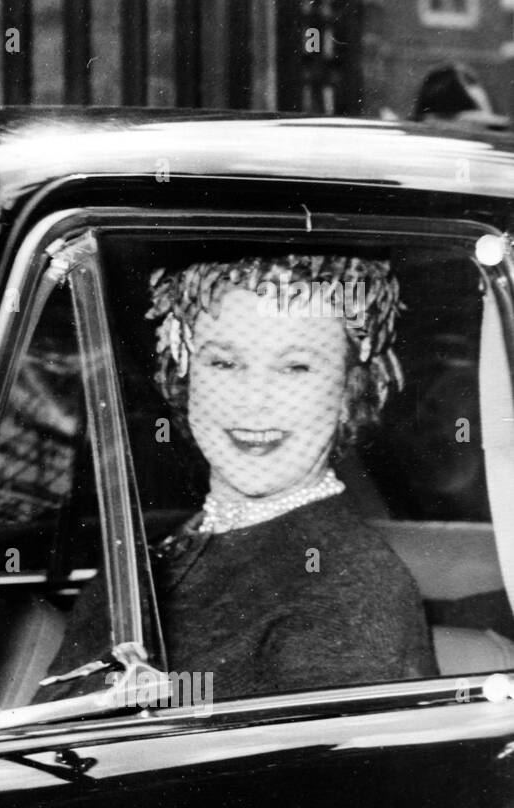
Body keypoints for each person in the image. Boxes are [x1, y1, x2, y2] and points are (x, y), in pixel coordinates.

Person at [41, 254, 438, 701]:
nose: (254, 402)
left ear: (349, 389)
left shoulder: (352, 589)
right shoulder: (162, 552)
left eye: (296, 368)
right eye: (224, 364)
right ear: (184, 373)